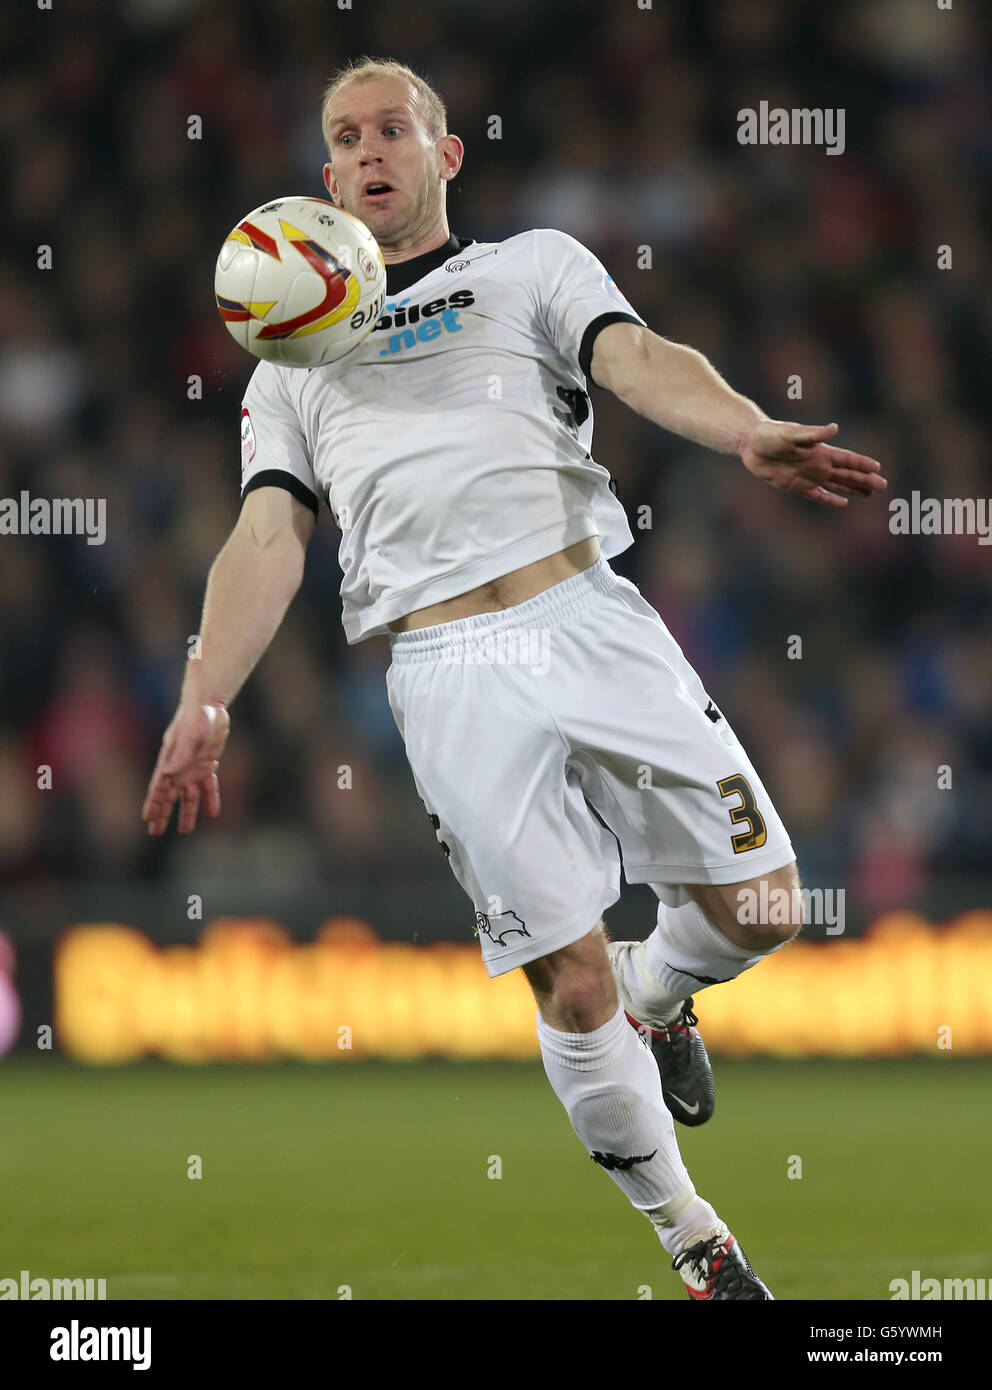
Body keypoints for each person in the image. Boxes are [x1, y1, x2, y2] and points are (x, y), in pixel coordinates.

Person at [141, 56, 887, 1300]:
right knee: (566, 972)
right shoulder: (289, 373)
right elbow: (266, 537)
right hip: (445, 672)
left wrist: (747, 424)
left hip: (588, 614)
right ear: (325, 180)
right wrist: (203, 694)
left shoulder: (531, 266)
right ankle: (693, 1241)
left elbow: (638, 358)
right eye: (345, 136)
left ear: (445, 155)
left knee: (764, 911)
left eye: (395, 127)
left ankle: (666, 990)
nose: (370, 148)